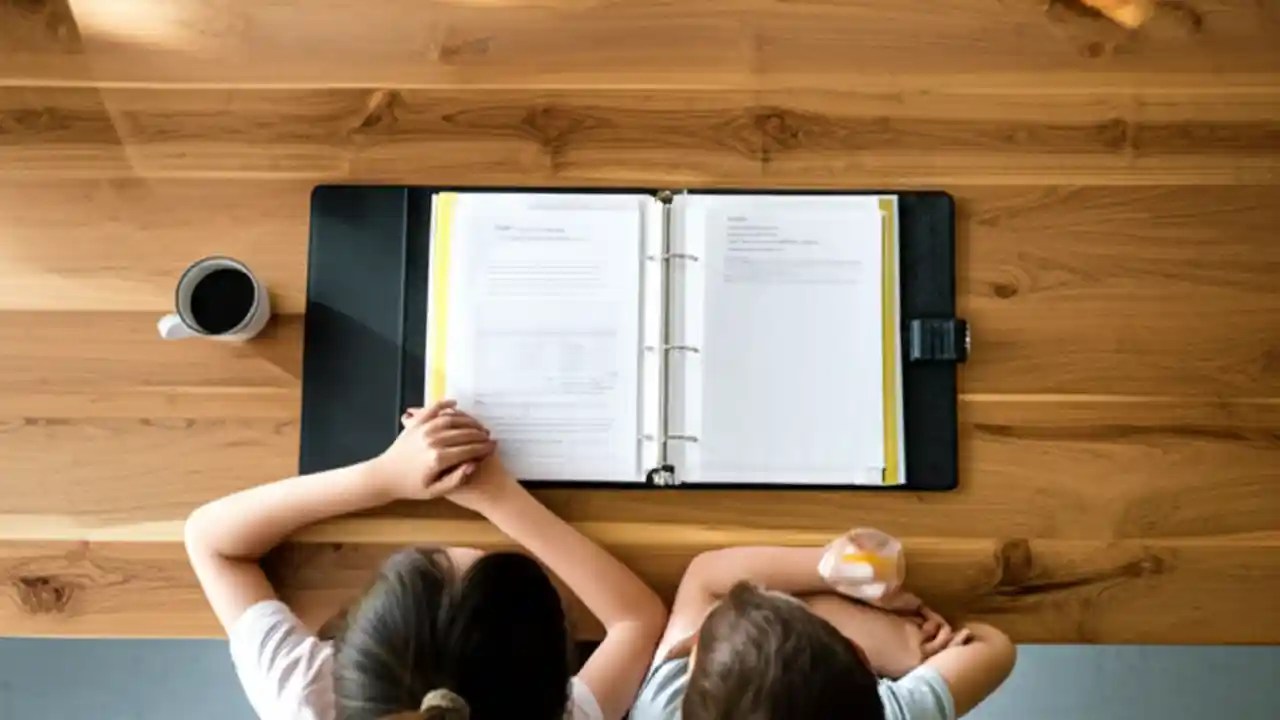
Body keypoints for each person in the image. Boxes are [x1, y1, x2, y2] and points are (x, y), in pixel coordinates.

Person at [185, 400, 667, 720]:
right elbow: (638, 619)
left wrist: (381, 479)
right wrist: (498, 499)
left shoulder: (305, 698)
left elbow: (212, 542)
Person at [630, 545, 1016, 720]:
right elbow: (993, 644)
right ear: (860, 656)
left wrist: (829, 577)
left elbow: (705, 578)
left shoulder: (660, 710)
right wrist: (840, 585)